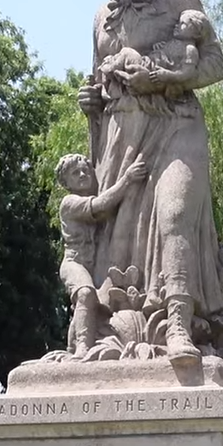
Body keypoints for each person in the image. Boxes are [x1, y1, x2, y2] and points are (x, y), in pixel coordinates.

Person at [75, 0, 223, 367]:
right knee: (118, 242)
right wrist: (92, 101)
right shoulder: (102, 15)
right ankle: (106, 333)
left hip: (176, 123)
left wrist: (163, 79)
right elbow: (97, 79)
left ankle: (180, 325)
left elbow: (216, 64)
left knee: (177, 212)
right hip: (123, 133)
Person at [56, 152, 149, 355]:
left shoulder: (92, 194)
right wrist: (127, 179)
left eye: (85, 170)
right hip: (75, 263)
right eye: (75, 173)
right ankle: (82, 347)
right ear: (67, 183)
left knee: (94, 302)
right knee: (85, 293)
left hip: (93, 264)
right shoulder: (69, 203)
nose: (82, 174)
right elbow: (99, 207)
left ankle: (76, 342)